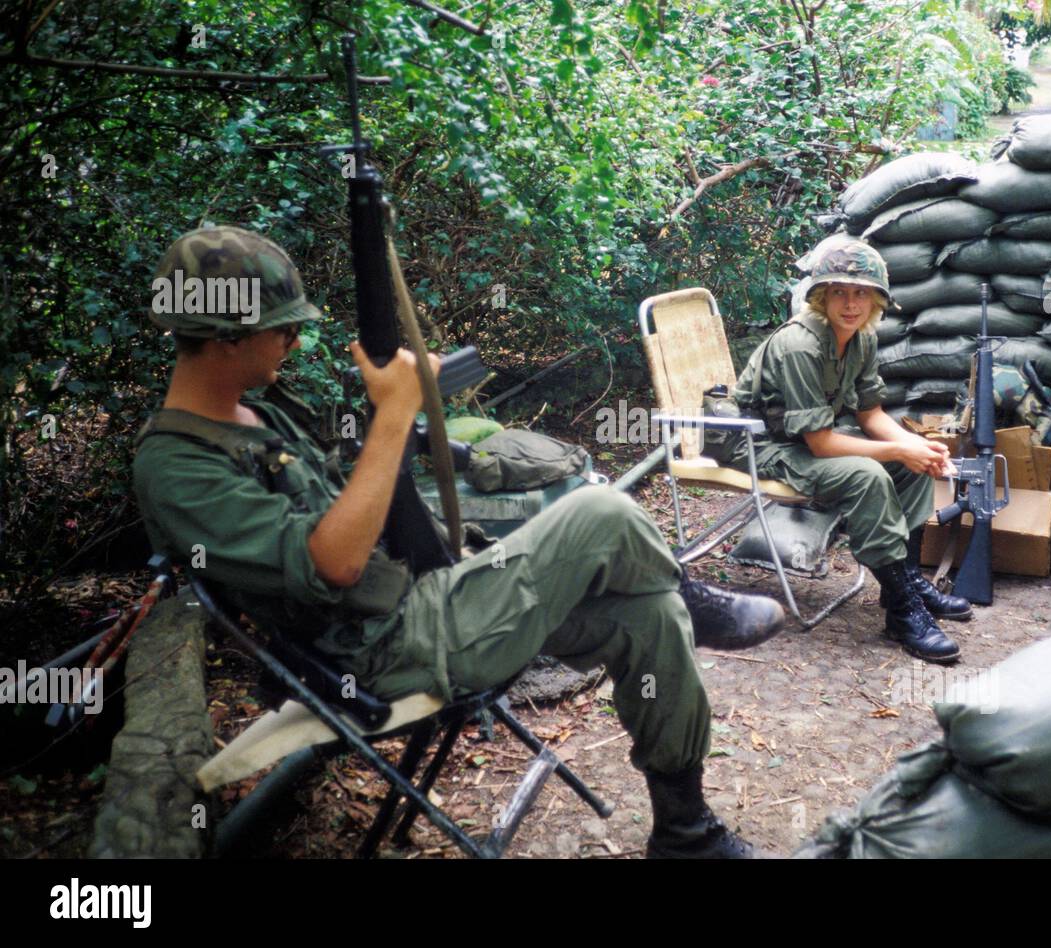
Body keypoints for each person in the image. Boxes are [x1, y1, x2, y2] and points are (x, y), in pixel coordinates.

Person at [133, 225, 787, 858]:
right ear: (223, 338)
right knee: (601, 512)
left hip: (424, 601)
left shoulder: (261, 412)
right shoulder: (175, 467)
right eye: (284, 328)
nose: (296, 343)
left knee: (653, 615)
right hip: (381, 652)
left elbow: (355, 508)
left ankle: (685, 832)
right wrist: (392, 414)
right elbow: (332, 562)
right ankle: (699, 598)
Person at [727, 234, 968, 664]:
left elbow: (870, 414)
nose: (850, 303)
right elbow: (820, 444)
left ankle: (904, 587)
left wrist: (919, 447)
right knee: (868, 474)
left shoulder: (862, 338)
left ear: (876, 300)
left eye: (861, 293)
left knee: (912, 466)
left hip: (805, 441)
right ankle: (905, 607)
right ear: (821, 296)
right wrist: (898, 452)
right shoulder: (801, 345)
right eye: (838, 291)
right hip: (762, 445)